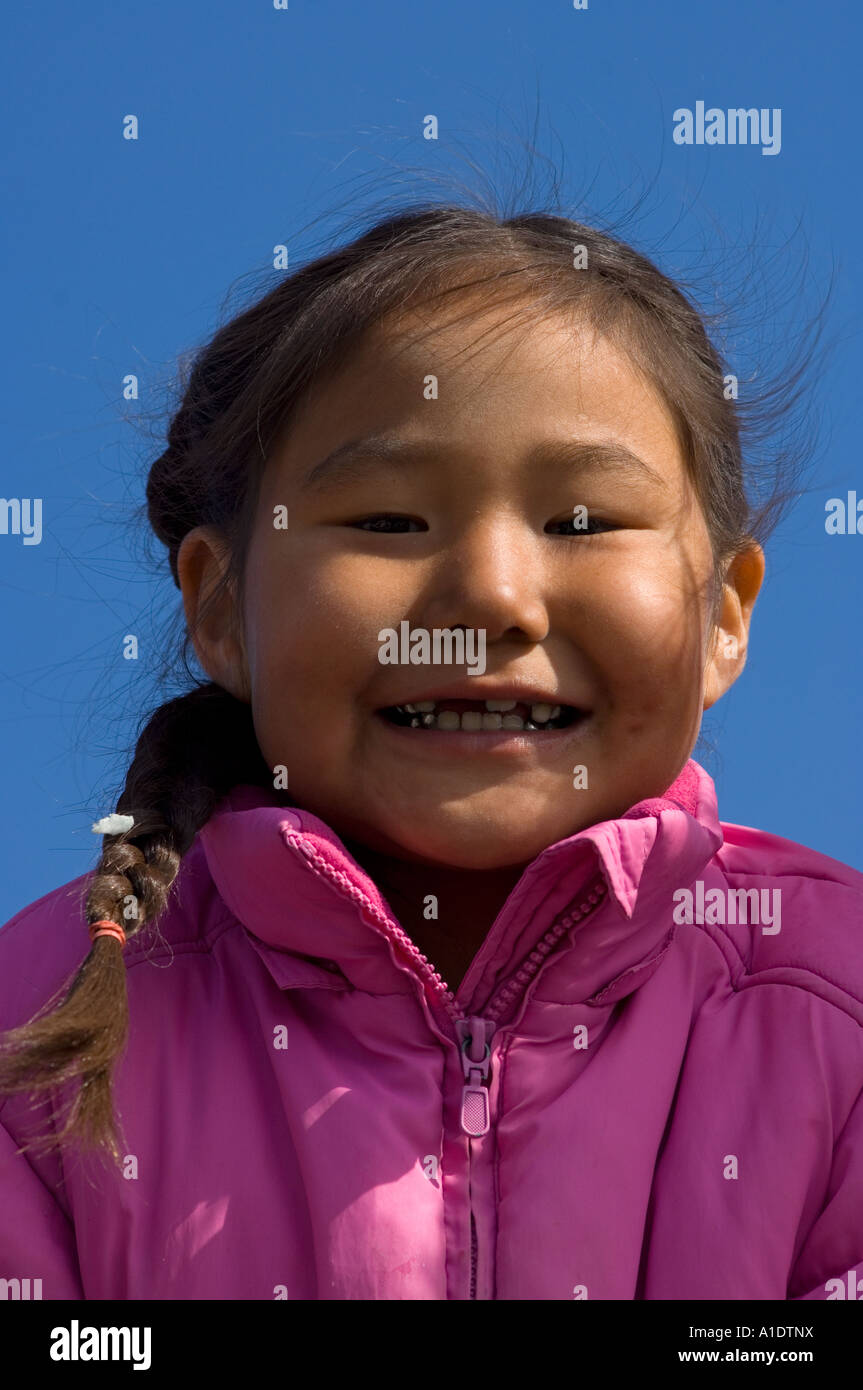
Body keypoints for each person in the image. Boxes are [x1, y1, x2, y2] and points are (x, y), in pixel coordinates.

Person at [1, 203, 861, 1300]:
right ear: (221, 608)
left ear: (722, 615)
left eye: (584, 522)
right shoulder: (38, 1031)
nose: (493, 598)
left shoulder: (832, 1002)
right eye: (389, 523)